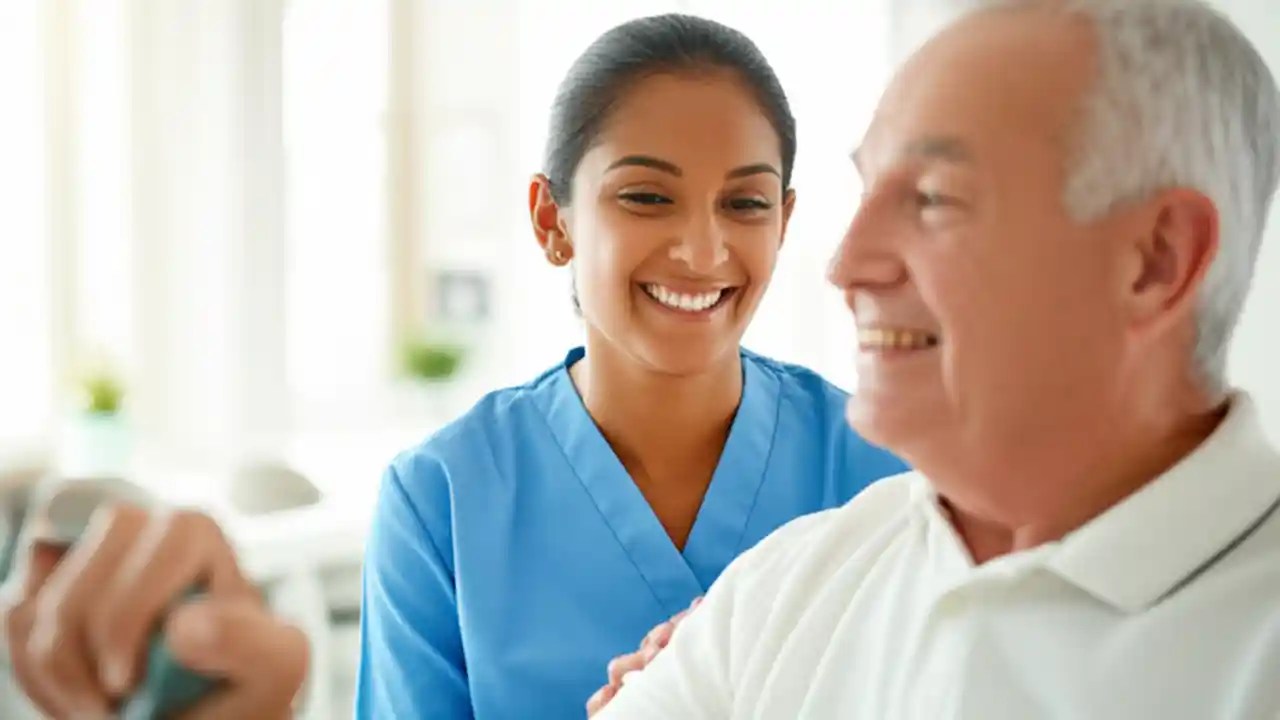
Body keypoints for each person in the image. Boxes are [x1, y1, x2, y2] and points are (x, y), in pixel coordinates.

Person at [594, 0, 1280, 717]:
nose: (848, 266)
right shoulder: (779, 596)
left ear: (1154, 259)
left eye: (932, 199)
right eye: (869, 191)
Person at [353, 13, 907, 719]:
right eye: (647, 197)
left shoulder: (883, 472)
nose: (702, 251)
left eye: (745, 204)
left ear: (783, 222)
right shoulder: (441, 501)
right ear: (552, 221)